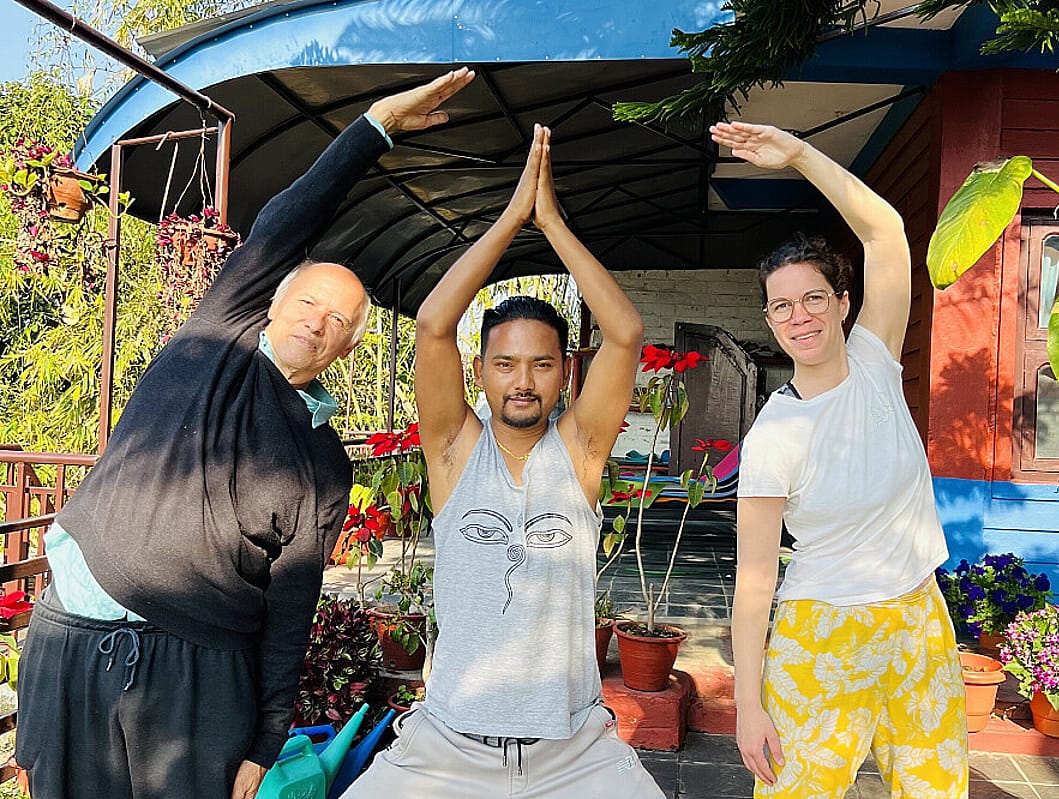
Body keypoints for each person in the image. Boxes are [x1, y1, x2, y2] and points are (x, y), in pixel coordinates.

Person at [14, 69, 476, 799]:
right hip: (73, 642)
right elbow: (286, 223)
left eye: (338, 320)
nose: (317, 320)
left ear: (347, 347)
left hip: (200, 680)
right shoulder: (217, 338)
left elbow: (292, 603)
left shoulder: (324, 459)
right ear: (271, 301)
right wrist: (374, 126)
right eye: (309, 300)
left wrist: (266, 739)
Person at [343, 124, 664, 798]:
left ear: (562, 373)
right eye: (505, 363)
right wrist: (512, 215)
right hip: (448, 742)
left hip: (573, 746)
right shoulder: (456, 451)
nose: (524, 379)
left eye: (542, 363)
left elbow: (627, 331)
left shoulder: (579, 452)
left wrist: (551, 223)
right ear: (481, 372)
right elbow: (434, 323)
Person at [713, 121, 968, 798]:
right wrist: (748, 703)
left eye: (814, 297)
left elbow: (885, 232)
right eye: (781, 307)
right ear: (770, 323)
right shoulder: (774, 435)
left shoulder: (876, 360)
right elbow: (754, 580)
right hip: (820, 634)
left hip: (918, 621)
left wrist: (796, 155)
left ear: (843, 301)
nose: (800, 316)